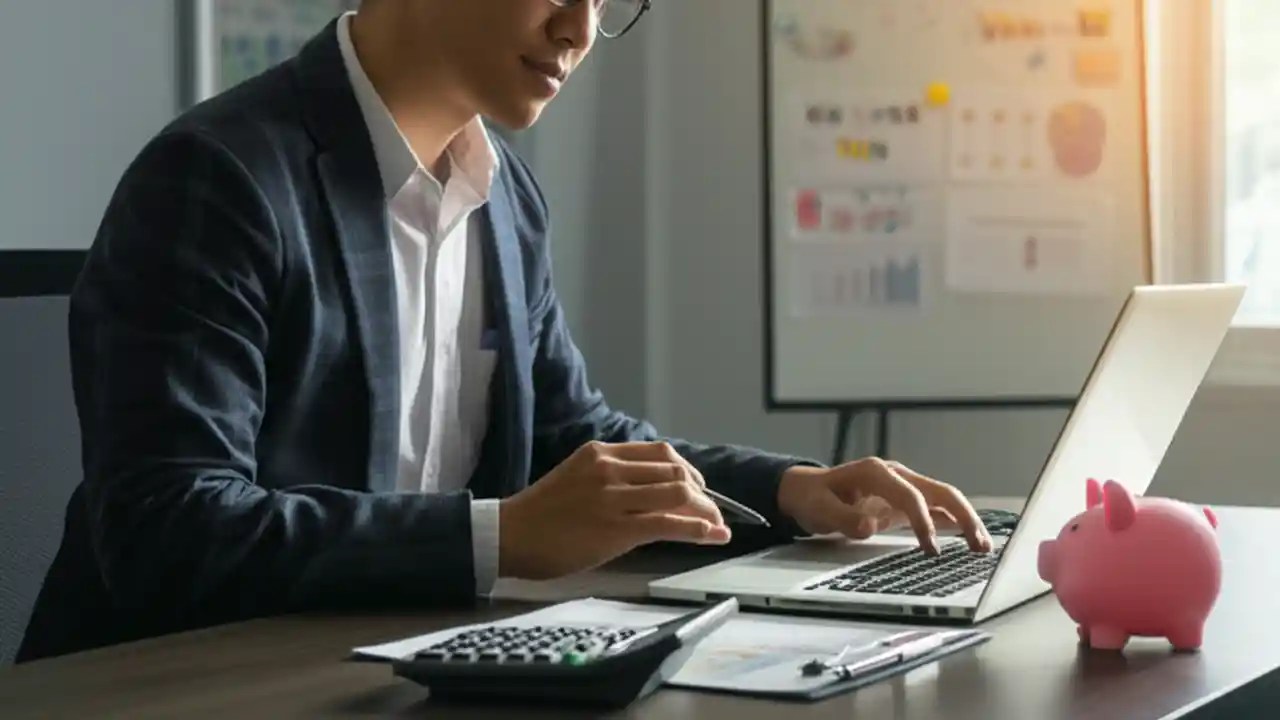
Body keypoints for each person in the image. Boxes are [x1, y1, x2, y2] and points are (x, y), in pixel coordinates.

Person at [17, 0, 991, 663]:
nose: (581, 26)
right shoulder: (218, 179)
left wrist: (790, 488)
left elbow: (569, 435)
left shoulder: (502, 192)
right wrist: (504, 536)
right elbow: (167, 533)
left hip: (379, 662)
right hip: (174, 687)